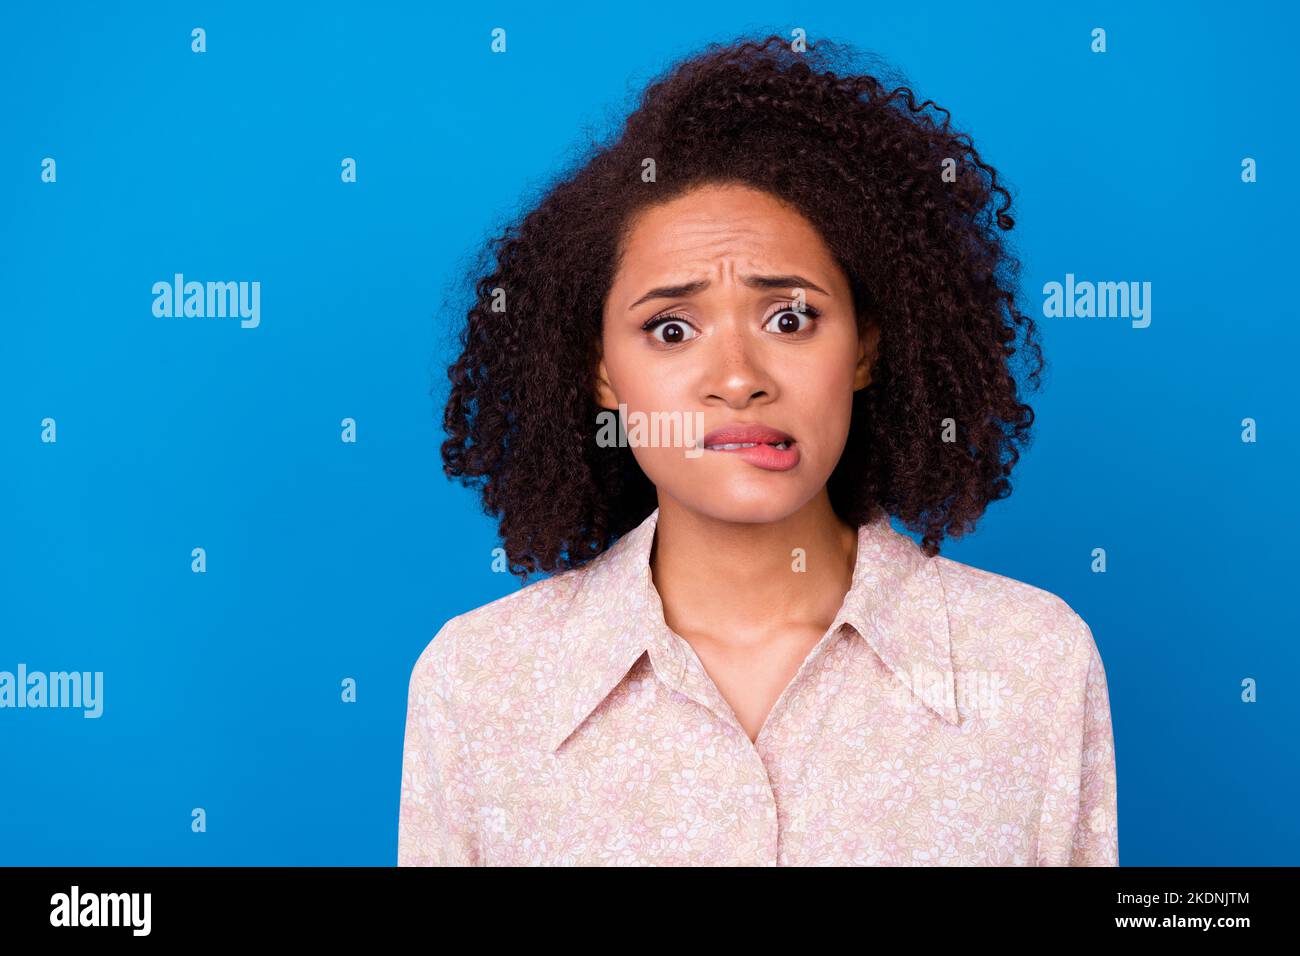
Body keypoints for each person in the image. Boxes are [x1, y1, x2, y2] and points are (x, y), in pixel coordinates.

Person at [398, 34, 1118, 866]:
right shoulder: (480, 683)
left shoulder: (1032, 662)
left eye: (790, 319)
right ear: (600, 375)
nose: (737, 380)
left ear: (865, 349)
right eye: (671, 329)